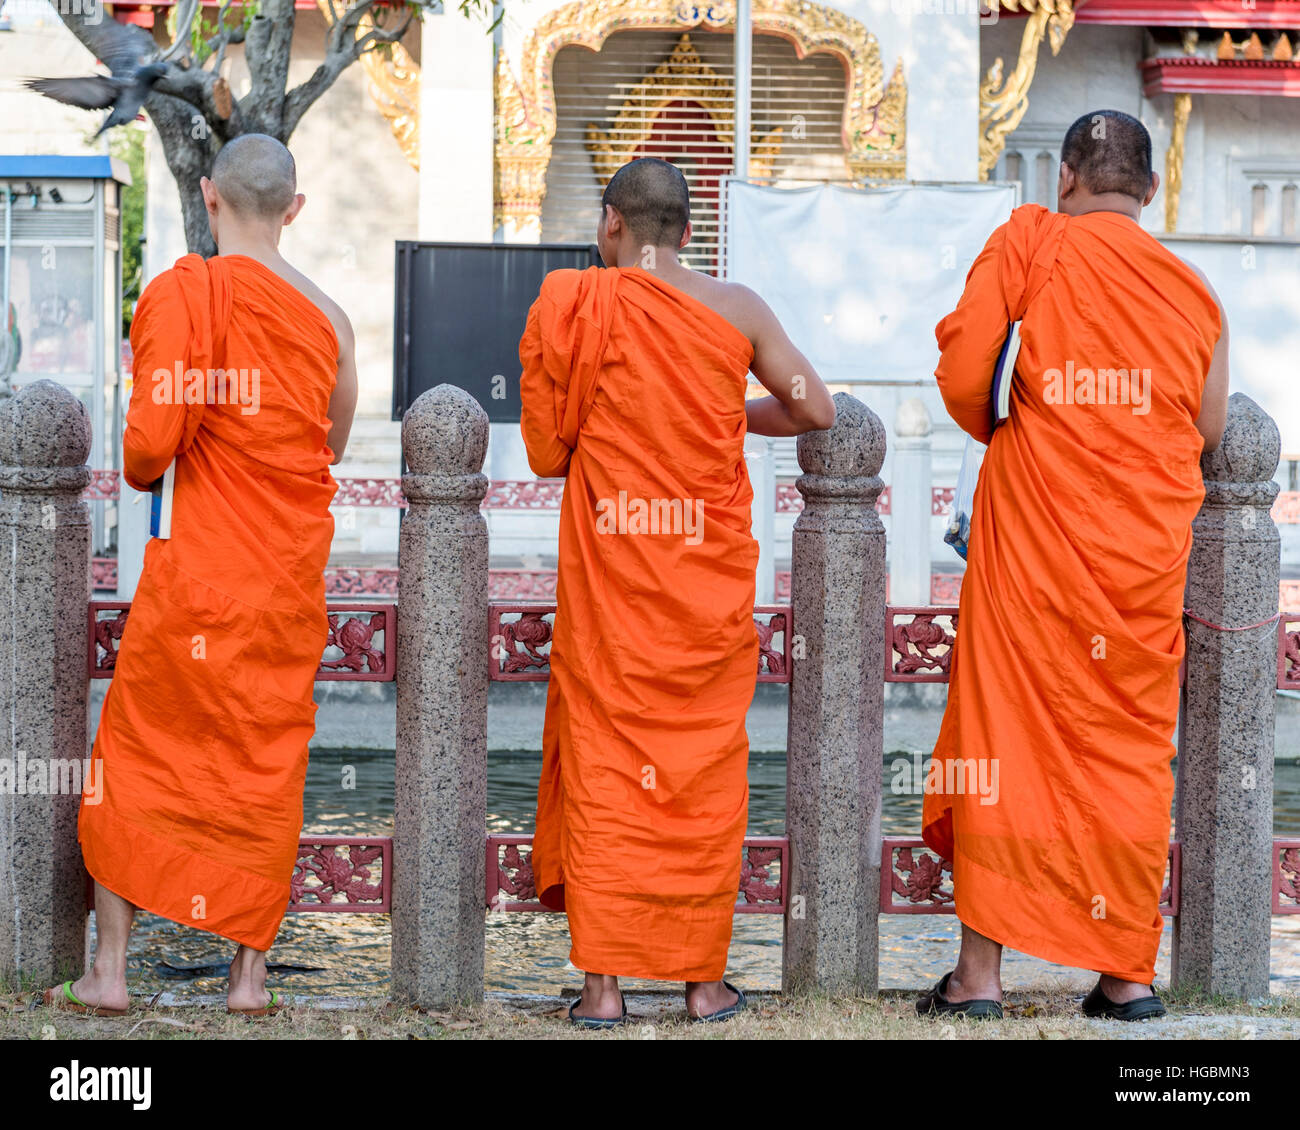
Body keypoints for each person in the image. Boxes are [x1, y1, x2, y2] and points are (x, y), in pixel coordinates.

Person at [919, 110, 1229, 1021]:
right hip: (1136, 568)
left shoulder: (1031, 242)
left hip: (1034, 550)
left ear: (1064, 179)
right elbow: (1206, 432)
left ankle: (979, 981)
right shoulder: (1193, 290)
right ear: (1151, 190)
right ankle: (1126, 977)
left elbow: (963, 374)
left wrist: (1017, 429)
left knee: (1001, 741)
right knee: (1125, 755)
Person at [43, 134, 358, 1017]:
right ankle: (247, 980)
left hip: (195, 584)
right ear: (293, 209)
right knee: (262, 768)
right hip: (283, 591)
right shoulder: (330, 320)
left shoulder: (188, 293)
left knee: (139, 760)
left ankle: (109, 973)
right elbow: (326, 446)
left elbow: (147, 452)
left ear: (210, 197)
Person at [519, 157, 834, 1027]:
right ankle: (702, 985)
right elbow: (816, 409)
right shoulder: (736, 308)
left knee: (607, 771)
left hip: (616, 590)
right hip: (703, 597)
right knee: (697, 778)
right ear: (689, 233)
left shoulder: (575, 307)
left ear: (612, 224)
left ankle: (603, 991)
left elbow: (549, 452)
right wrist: (731, 413)